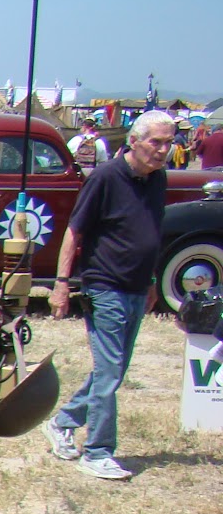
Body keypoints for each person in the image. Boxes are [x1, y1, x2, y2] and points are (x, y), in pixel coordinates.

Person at [42, 110, 176, 482]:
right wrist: (61, 283)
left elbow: (149, 230)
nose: (164, 150)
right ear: (133, 141)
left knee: (112, 370)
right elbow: (75, 232)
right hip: (105, 286)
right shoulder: (105, 177)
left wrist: (151, 281)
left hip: (136, 288)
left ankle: (64, 421)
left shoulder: (157, 179)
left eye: (169, 143)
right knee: (110, 371)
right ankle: (98, 450)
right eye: (156, 142)